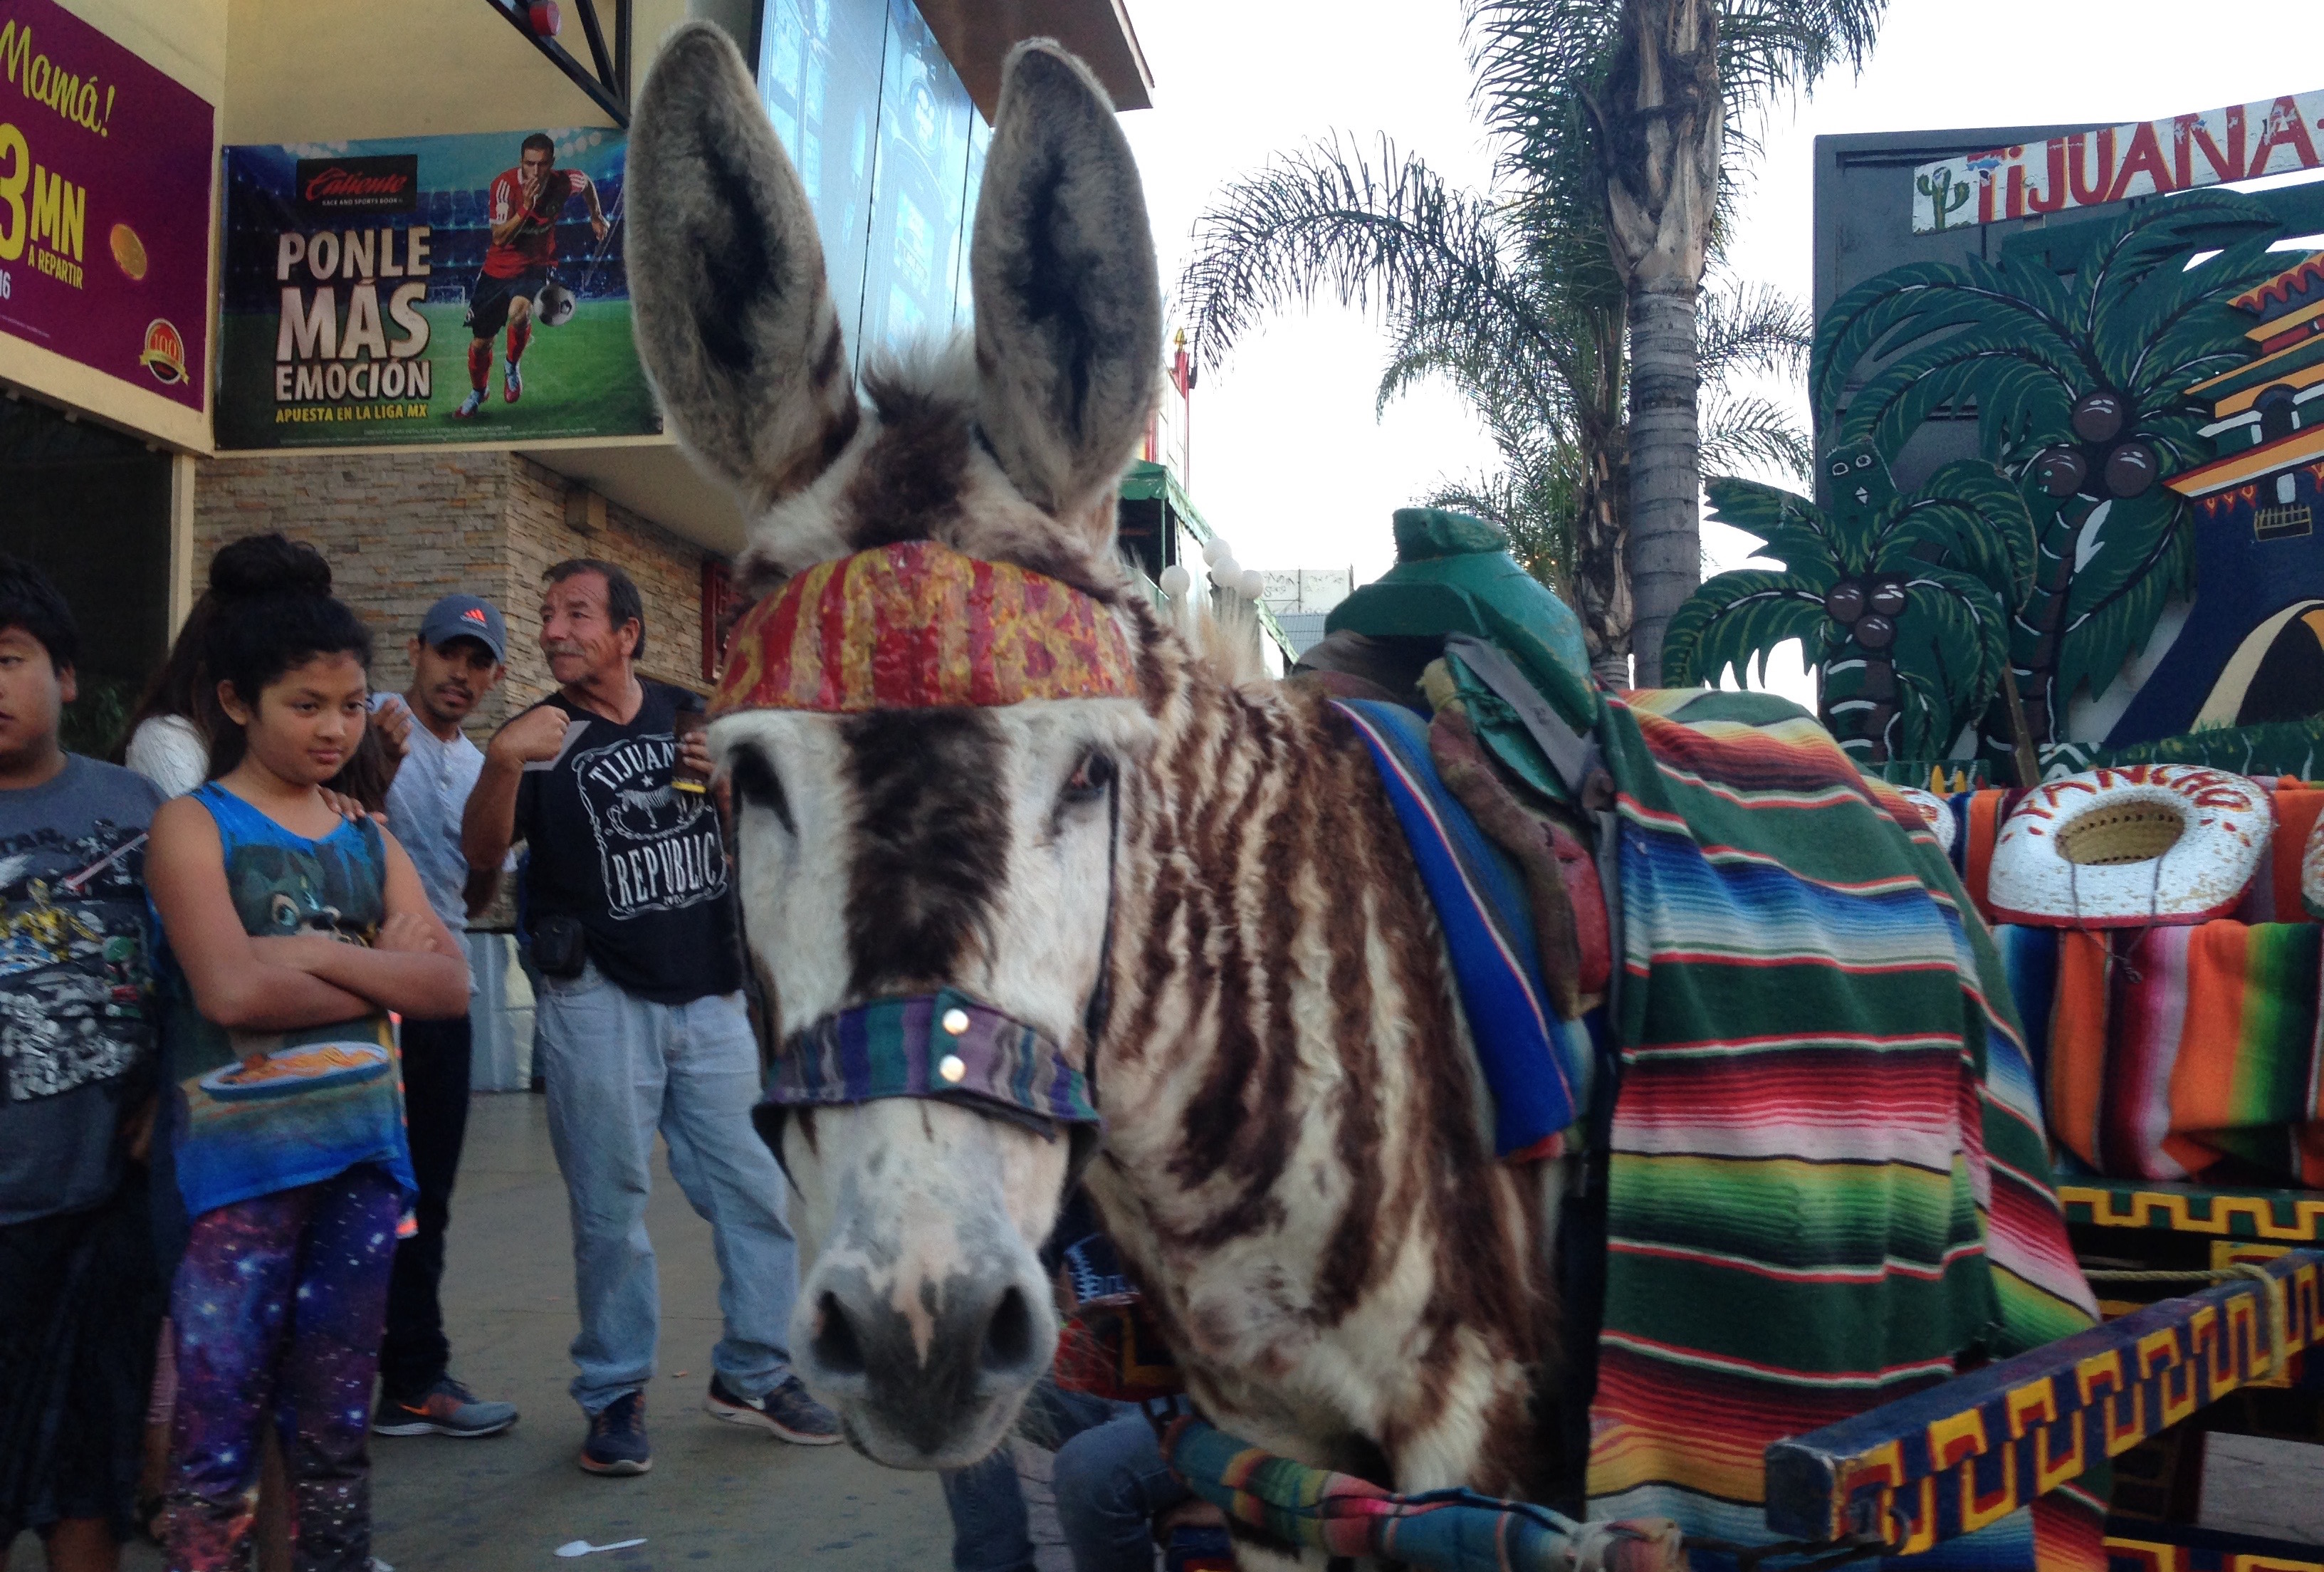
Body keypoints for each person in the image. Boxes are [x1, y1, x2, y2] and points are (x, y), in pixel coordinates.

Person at [461, 557, 834, 1475]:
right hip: (597, 999)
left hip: (709, 996)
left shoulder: (693, 716)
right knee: (610, 1206)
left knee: (755, 1190)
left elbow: (781, 837)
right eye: (547, 615)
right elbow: (478, 864)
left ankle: (754, 1371)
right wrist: (504, 762)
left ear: (627, 633)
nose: (554, 630)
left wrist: (734, 784)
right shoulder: (533, 736)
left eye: (576, 614)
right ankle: (616, 1390)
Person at [145, 535, 471, 1572]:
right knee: (215, 1440)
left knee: (334, 1437)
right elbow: (228, 991)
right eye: (305, 706)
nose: (334, 729)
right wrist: (371, 959)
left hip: (364, 1172)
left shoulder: (366, 835)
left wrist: (295, 951)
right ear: (237, 702)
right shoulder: (195, 828)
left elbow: (449, 987)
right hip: (236, 1183)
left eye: (347, 705)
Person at [0, 555, 167, 1572]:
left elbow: (195, 971)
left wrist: (167, 1091)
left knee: (89, 1474)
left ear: (64, 676)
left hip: (108, 1198)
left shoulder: (140, 806)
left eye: (8, 659)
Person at [366, 594, 518, 1440]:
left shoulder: (477, 764)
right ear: (417, 651)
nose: (462, 673)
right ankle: (360, 1373)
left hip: (444, 992)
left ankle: (414, 1377)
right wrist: (371, 773)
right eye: (450, 654)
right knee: (367, 1194)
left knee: (429, 1194)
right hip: (367, 992)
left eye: (480, 661)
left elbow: (477, 892)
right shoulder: (372, 726)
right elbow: (346, 837)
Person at [453, 132, 608, 421]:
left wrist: (596, 215)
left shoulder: (564, 181)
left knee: (519, 311)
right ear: (521, 162)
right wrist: (526, 205)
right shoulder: (503, 186)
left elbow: (586, 182)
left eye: (543, 164)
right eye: (529, 164)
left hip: (537, 265)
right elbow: (499, 238)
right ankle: (478, 392)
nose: (535, 171)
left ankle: (512, 366)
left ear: (552, 162)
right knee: (480, 344)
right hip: (496, 271)